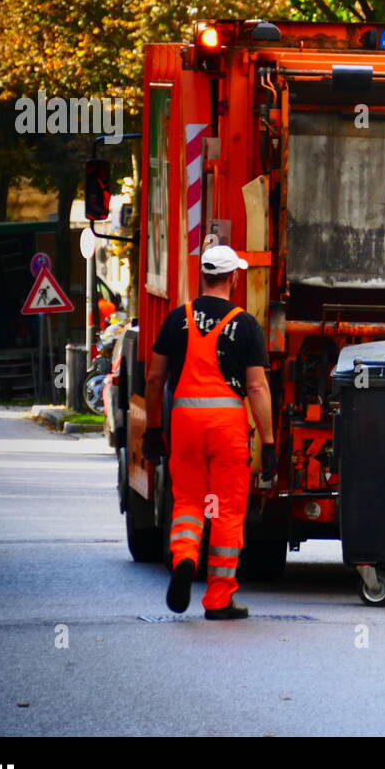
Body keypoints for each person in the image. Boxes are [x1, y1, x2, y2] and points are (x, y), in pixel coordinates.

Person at [142, 245, 276, 620]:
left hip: (184, 423)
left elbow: (154, 377)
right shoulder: (245, 323)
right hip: (226, 427)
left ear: (203, 275)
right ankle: (218, 599)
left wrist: (153, 428)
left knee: (189, 503)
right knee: (226, 510)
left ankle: (185, 557)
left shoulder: (176, 319)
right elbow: (257, 388)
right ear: (233, 278)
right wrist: (268, 442)